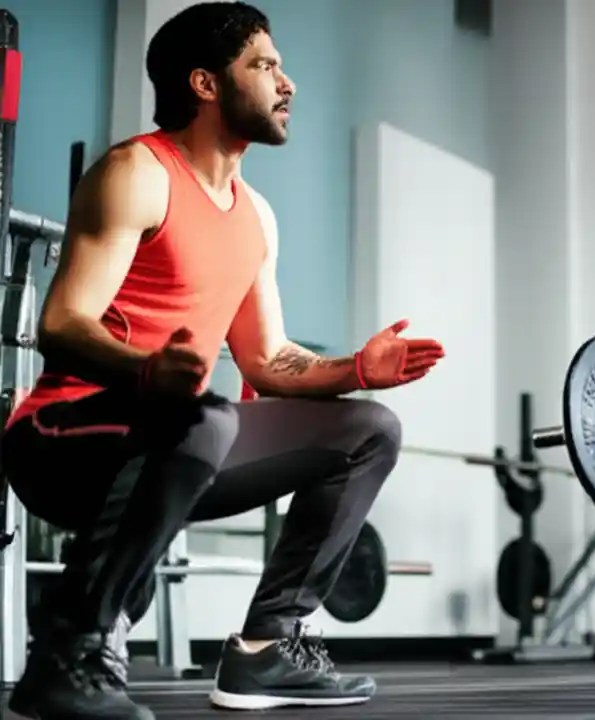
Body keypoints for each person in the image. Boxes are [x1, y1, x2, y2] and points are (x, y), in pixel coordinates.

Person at [0, 3, 445, 718]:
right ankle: (67, 655)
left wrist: (358, 369)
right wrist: (147, 373)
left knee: (370, 429)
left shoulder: (255, 215)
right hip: (62, 441)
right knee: (204, 416)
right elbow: (61, 324)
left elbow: (269, 360)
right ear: (206, 84)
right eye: (265, 65)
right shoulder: (137, 172)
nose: (287, 82)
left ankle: (267, 649)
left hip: (180, 440)